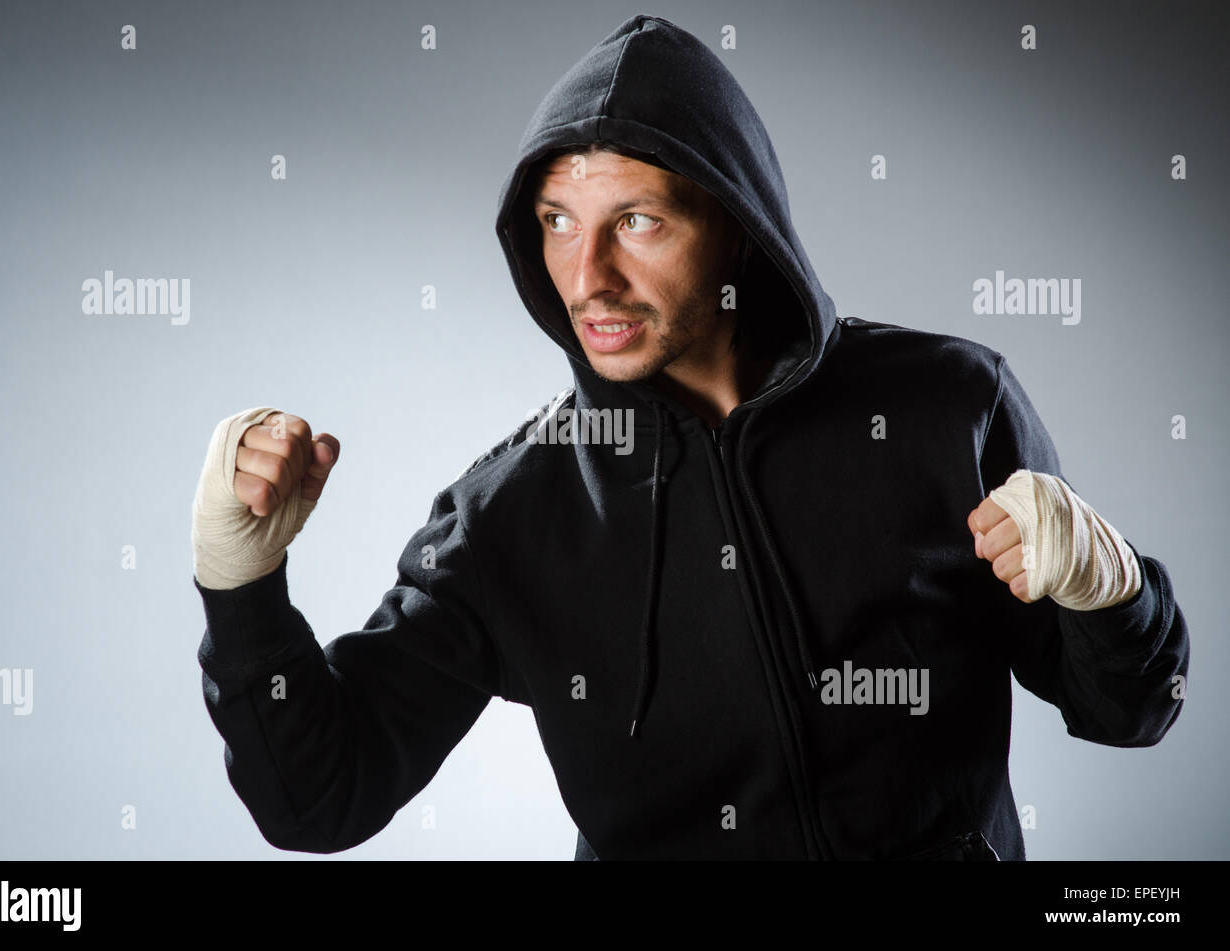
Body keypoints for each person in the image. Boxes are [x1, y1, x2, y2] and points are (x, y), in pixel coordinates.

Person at [191, 14, 1190, 860]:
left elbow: (1133, 712)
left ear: (736, 225)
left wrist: (1115, 594)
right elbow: (321, 799)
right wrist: (241, 593)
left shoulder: (948, 404)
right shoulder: (512, 514)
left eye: (636, 221)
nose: (585, 277)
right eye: (555, 219)